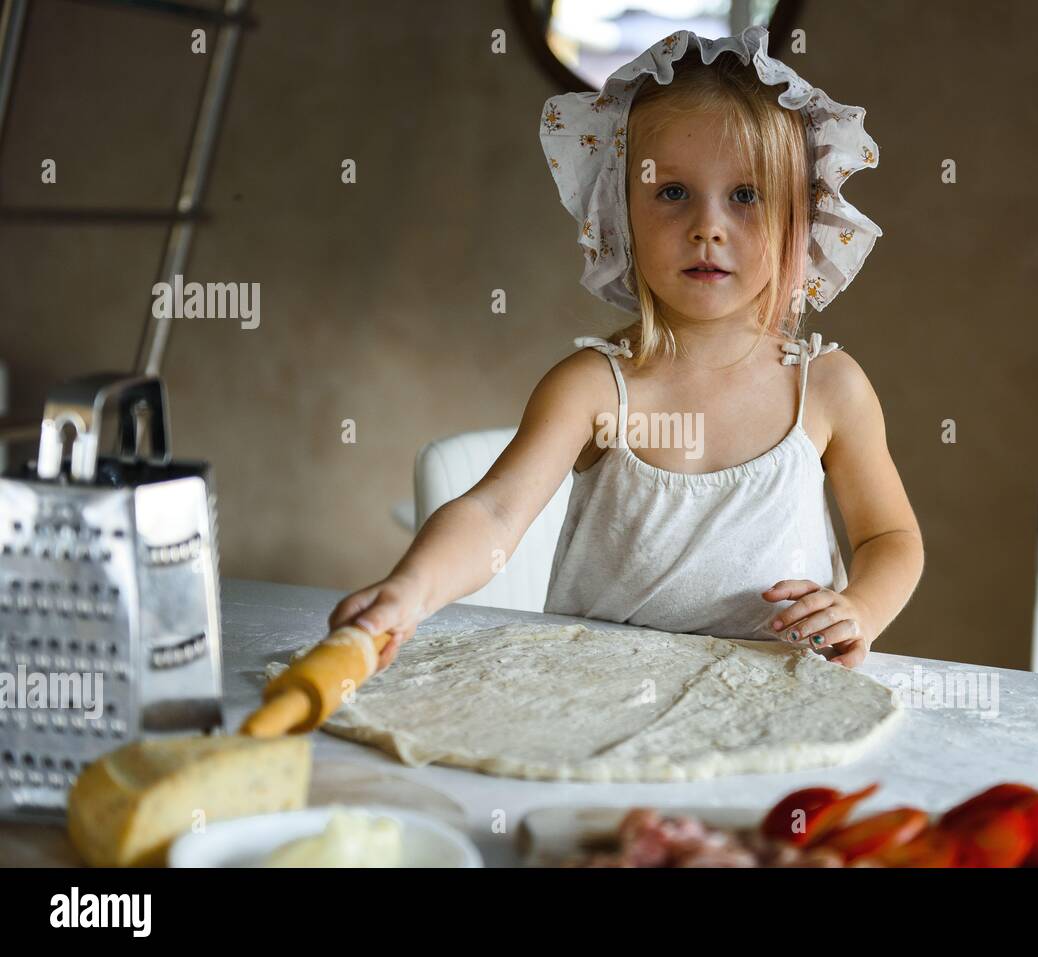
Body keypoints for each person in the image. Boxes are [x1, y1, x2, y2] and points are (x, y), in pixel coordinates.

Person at [330, 26, 923, 672]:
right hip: (601, 714)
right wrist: (411, 588)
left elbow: (889, 537)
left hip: (775, 713)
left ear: (798, 220)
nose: (707, 227)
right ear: (620, 213)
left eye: (746, 195)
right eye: (672, 192)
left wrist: (859, 607)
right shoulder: (591, 388)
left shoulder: (829, 389)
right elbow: (494, 512)